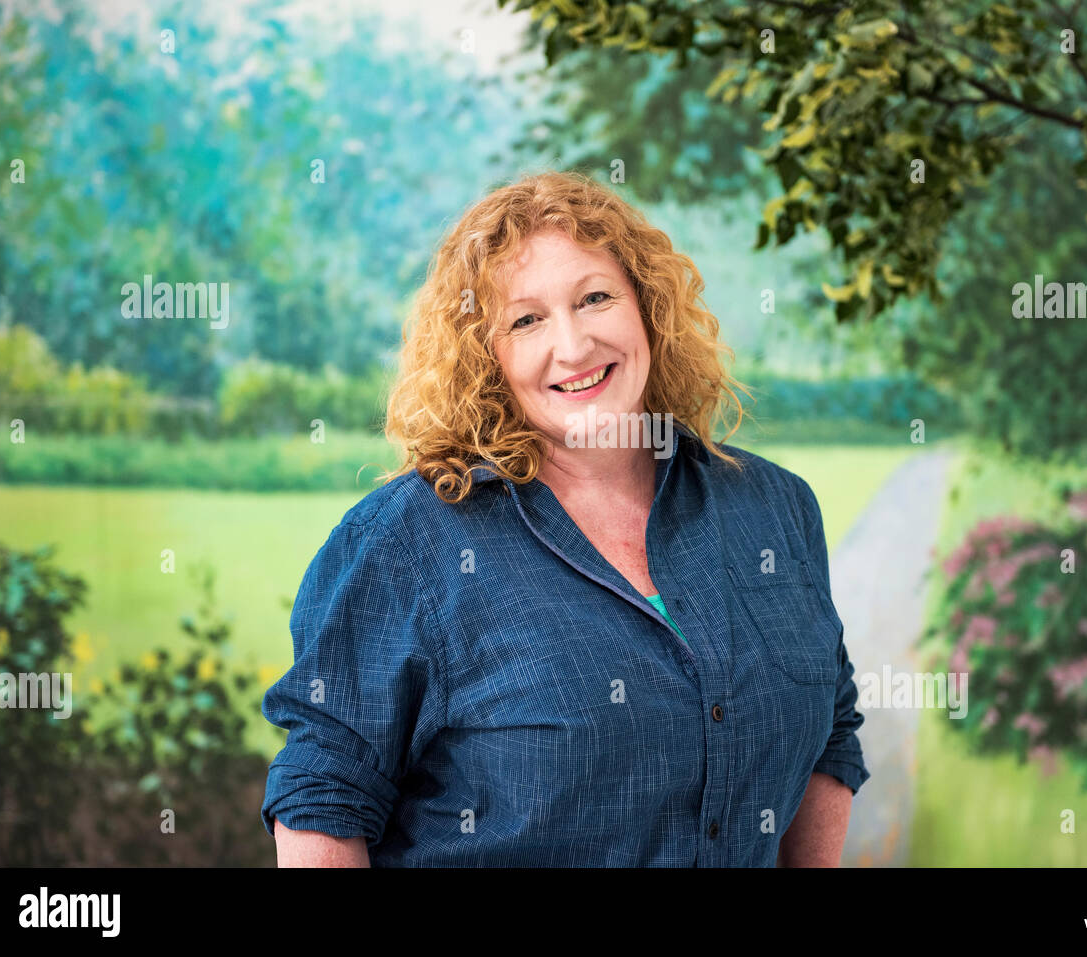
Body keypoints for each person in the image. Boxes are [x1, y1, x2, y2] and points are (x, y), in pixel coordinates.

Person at [260, 170, 869, 866]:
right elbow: (323, 802)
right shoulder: (404, 543)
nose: (574, 345)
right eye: (526, 319)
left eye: (595, 298)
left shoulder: (774, 508)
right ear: (484, 358)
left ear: (648, 308)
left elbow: (831, 733)